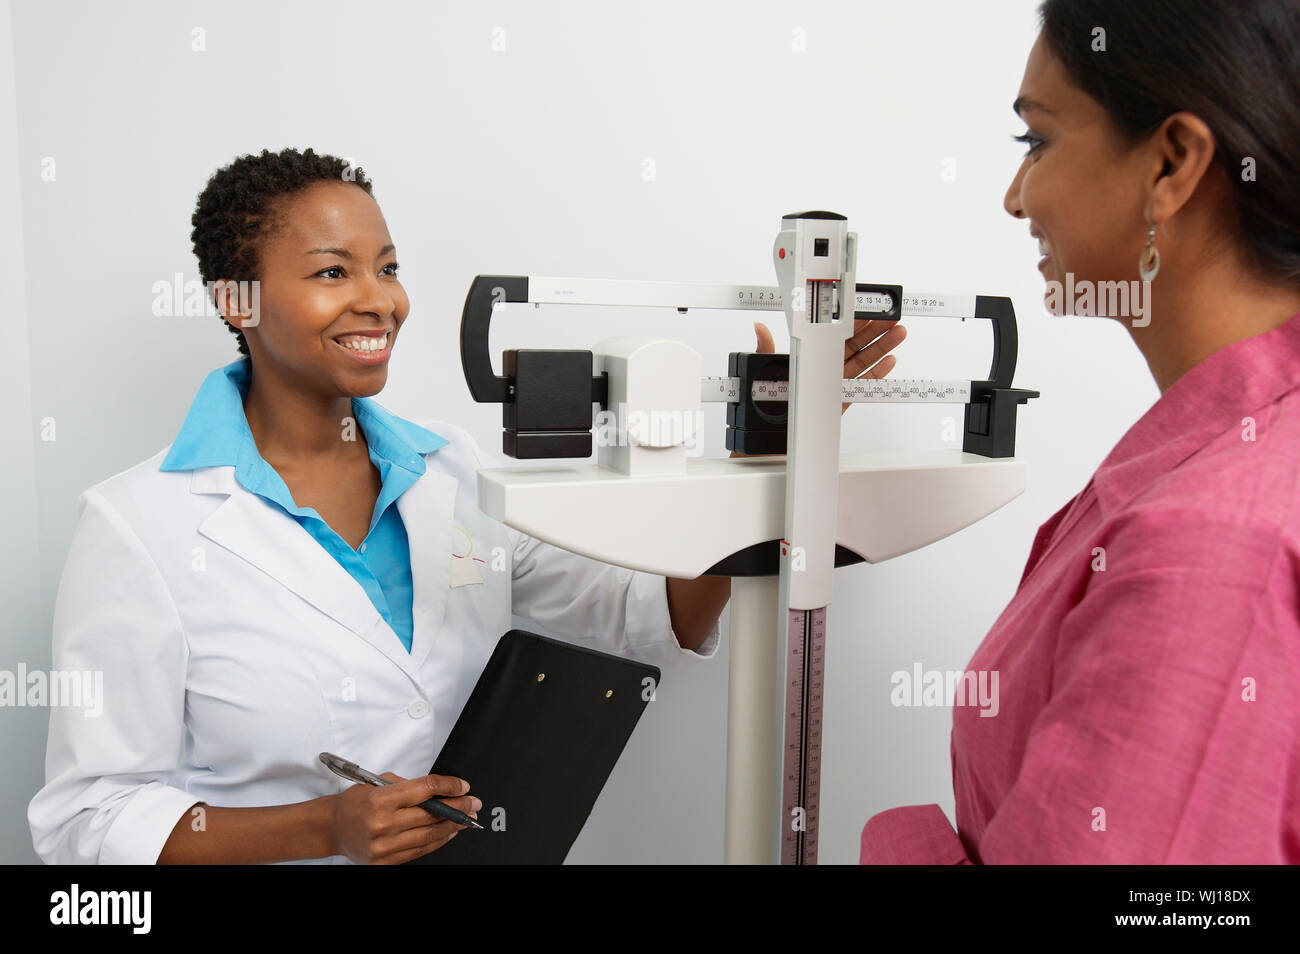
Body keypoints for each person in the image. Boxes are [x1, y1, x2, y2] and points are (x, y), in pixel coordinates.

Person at [29, 147, 904, 865]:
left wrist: (771, 451)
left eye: (388, 267)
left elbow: (645, 614)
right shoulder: (140, 524)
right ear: (237, 301)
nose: (380, 299)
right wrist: (324, 827)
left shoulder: (447, 469)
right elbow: (88, 820)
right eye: (333, 272)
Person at [861, 0, 1300, 864]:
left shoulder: (1211, 544)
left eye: (1038, 142)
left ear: (1172, 163)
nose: (1015, 196)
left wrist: (898, 841)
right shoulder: (1230, 452)